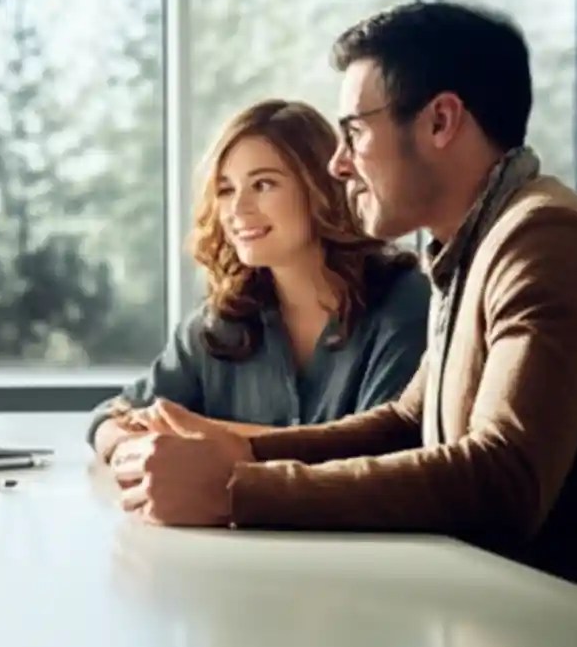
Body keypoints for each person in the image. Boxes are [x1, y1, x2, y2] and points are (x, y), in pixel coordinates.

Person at [109, 2, 577, 588]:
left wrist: (234, 491)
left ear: (441, 121)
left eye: (354, 130)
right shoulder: (474, 248)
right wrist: (241, 452)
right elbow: (407, 422)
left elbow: (502, 479)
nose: (339, 163)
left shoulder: (544, 237)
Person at [90, 99, 428, 463]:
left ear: (321, 188)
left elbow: (383, 452)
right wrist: (134, 445)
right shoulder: (217, 327)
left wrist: (210, 435)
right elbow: (109, 418)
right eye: (226, 189)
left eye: (263, 184)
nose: (238, 210)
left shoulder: (404, 303)